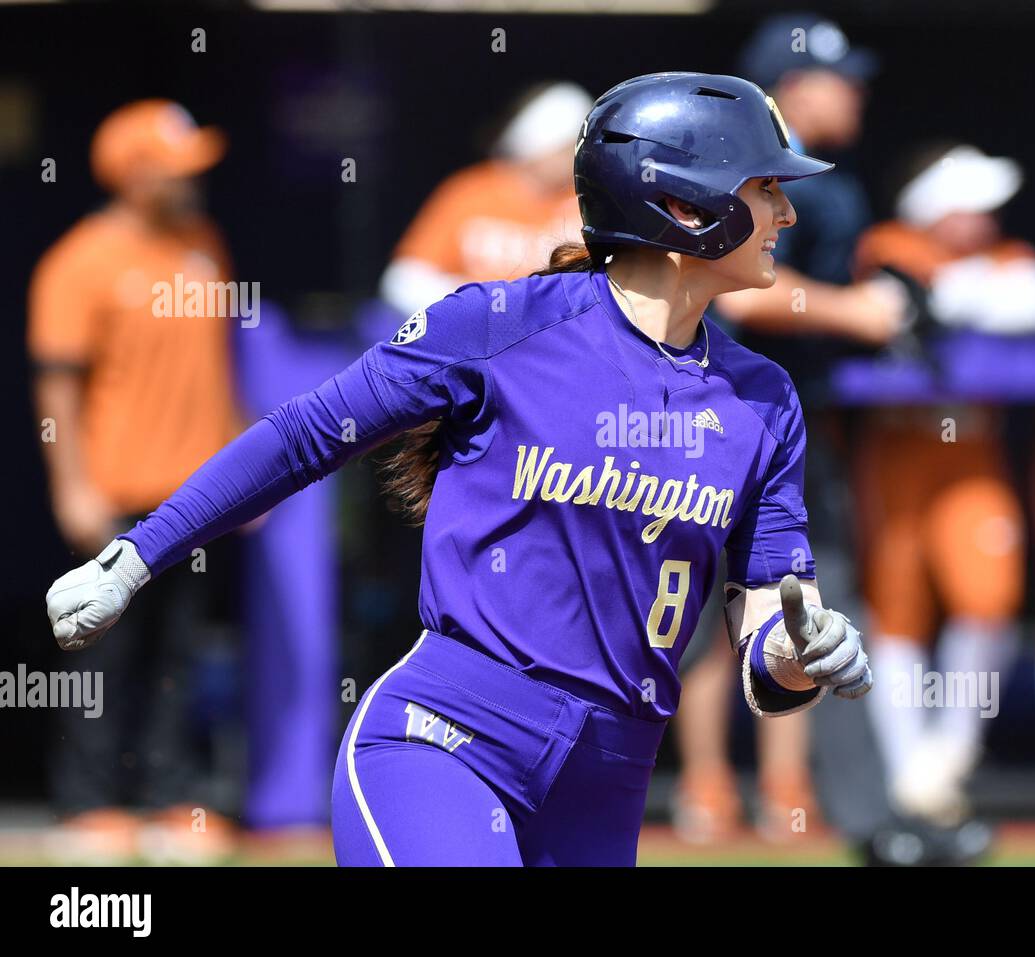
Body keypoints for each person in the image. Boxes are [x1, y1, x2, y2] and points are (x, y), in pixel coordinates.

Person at [44, 73, 872, 867]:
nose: (788, 211)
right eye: (767, 188)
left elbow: (766, 632)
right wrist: (139, 554)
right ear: (687, 205)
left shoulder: (764, 398)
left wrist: (802, 655)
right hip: (446, 742)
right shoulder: (499, 326)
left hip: (608, 780)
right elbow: (303, 437)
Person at [674, 12, 903, 848]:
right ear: (796, 86)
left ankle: (786, 789)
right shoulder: (718, 162)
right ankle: (705, 788)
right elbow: (736, 287)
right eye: (843, 78)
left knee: (798, 604)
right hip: (699, 417)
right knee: (695, 616)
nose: (858, 93)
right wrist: (858, 313)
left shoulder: (833, 186)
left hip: (781, 419)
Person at [29, 99, 242, 862]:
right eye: (176, 169)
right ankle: (89, 805)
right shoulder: (80, 260)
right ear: (136, 175)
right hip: (117, 490)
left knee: (183, 654)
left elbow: (217, 370)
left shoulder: (203, 245)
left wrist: (241, 467)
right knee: (103, 652)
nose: (192, 183)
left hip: (196, 496)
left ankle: (170, 798)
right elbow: (57, 385)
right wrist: (73, 485)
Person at [850, 143, 1035, 824]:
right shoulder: (888, 243)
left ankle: (950, 748)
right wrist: (952, 297)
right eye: (972, 205)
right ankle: (907, 771)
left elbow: (1030, 301)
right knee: (897, 607)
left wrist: (961, 297)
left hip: (972, 449)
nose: (988, 219)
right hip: (899, 447)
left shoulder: (1007, 257)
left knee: (990, 594)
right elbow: (896, 302)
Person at [378, 81, 592, 316]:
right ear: (534, 144)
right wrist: (475, 307)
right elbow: (404, 279)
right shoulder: (471, 192)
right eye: (563, 148)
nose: (572, 157)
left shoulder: (587, 199)